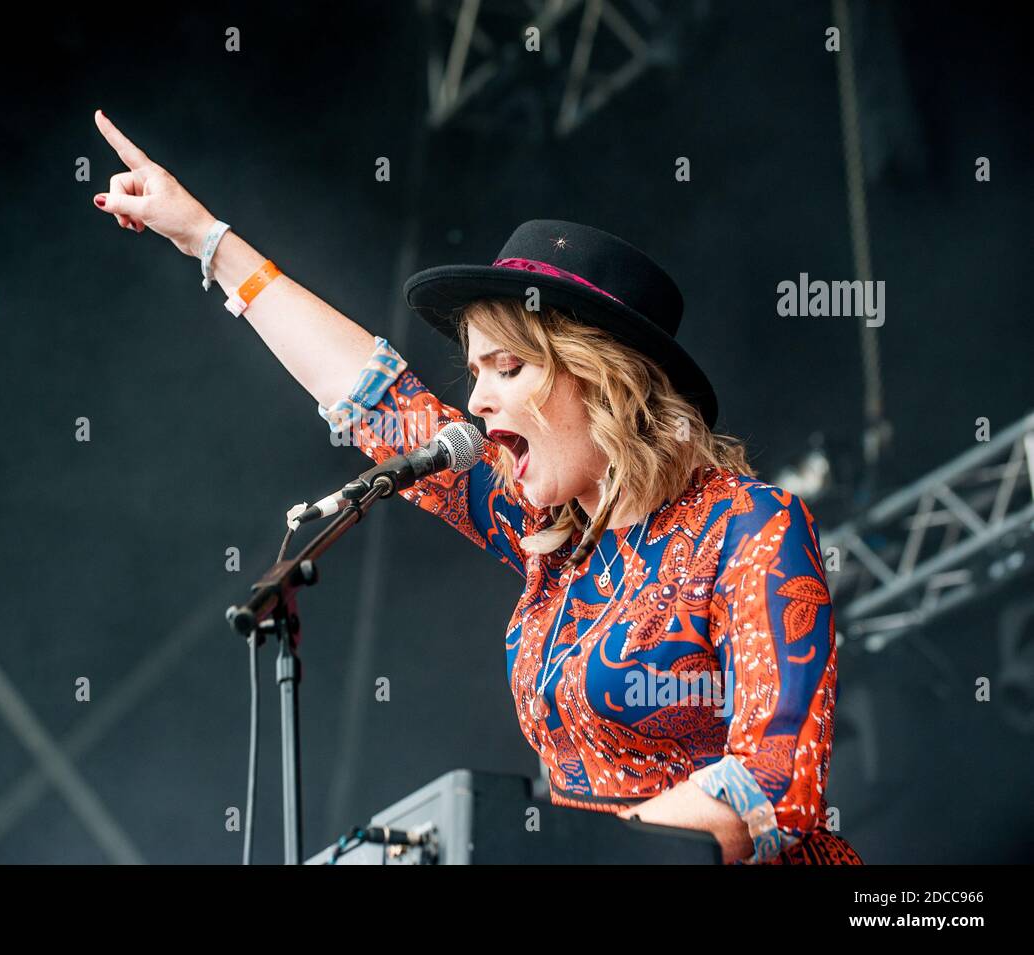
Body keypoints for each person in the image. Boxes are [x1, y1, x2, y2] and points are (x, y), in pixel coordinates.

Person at [90, 110, 864, 865]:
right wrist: (204, 237)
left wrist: (567, 851)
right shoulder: (549, 532)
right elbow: (377, 400)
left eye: (509, 368)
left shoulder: (747, 527)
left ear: (604, 382)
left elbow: (771, 787)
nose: (478, 401)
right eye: (476, 371)